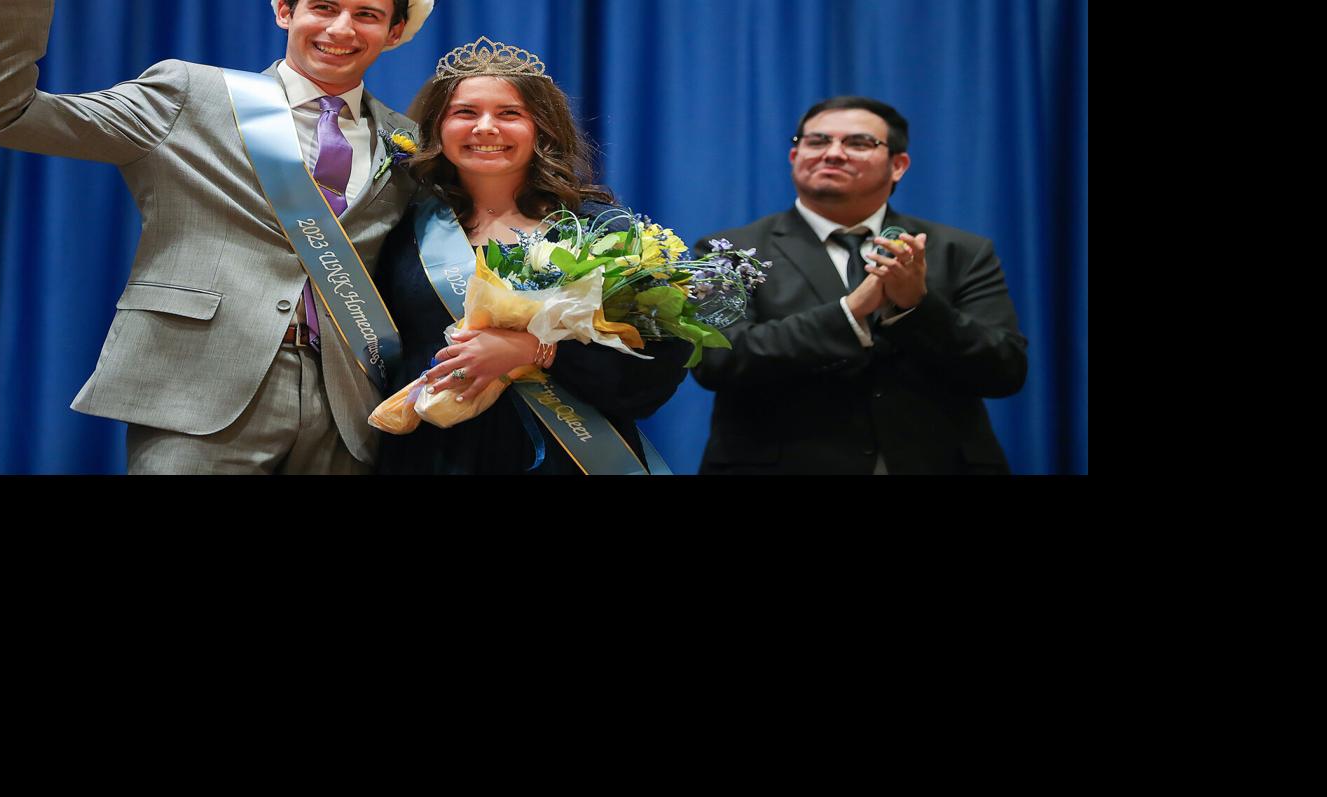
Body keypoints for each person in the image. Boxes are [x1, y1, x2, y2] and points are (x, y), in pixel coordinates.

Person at [0, 0, 433, 474]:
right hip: (197, 389)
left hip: (347, 408)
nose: (342, 28)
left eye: (366, 14)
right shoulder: (190, 93)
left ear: (394, 32)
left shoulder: (408, 141)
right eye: (324, 8)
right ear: (285, 11)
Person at [372, 38, 688, 475]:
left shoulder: (598, 227)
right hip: (439, 453)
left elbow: (657, 366)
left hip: (571, 455)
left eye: (509, 114)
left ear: (542, 127)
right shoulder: (402, 229)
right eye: (465, 113)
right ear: (437, 126)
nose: (485, 128)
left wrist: (534, 350)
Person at [693, 96, 1028, 475]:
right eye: (817, 141)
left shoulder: (961, 251)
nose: (833, 154)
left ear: (898, 165)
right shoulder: (731, 250)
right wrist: (849, 313)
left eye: (858, 143)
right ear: (794, 157)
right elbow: (717, 360)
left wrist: (917, 306)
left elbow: (1005, 371)